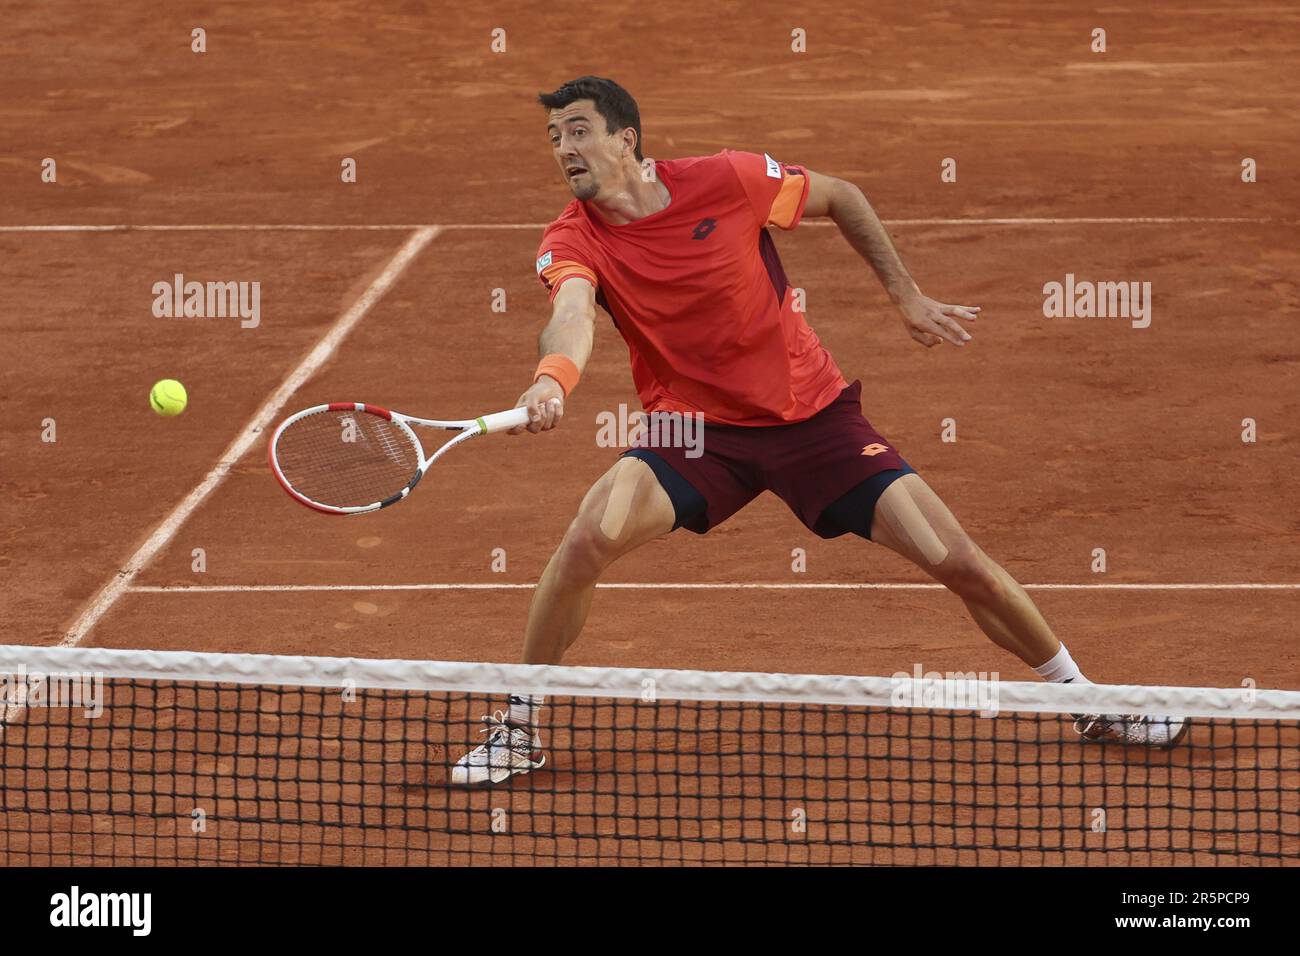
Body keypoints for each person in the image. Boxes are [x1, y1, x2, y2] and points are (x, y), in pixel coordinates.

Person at [452, 77, 1183, 786]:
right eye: (554, 138)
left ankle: (1088, 701)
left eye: (578, 131)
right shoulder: (572, 237)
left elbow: (842, 197)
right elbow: (573, 313)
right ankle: (519, 726)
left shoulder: (730, 178)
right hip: (695, 430)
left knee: (958, 560)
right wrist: (554, 377)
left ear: (627, 140)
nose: (563, 149)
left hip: (812, 416)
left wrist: (906, 294)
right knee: (585, 542)